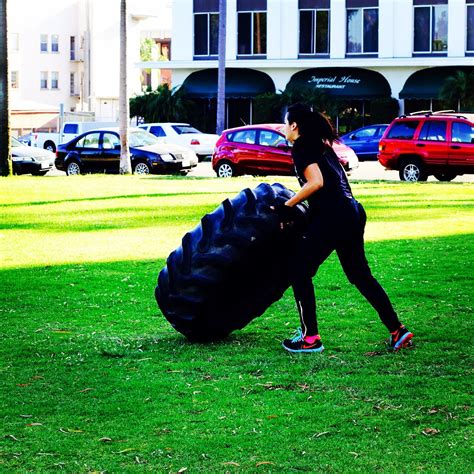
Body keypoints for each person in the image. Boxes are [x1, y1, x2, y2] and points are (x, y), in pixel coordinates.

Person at [278, 103, 413, 353]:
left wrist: (288, 205)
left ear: (294, 125)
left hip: (334, 217)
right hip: (352, 212)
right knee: (359, 275)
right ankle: (398, 330)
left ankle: (310, 339)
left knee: (298, 270)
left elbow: (316, 182)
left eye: (286, 123)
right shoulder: (321, 145)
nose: (283, 128)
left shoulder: (302, 146)